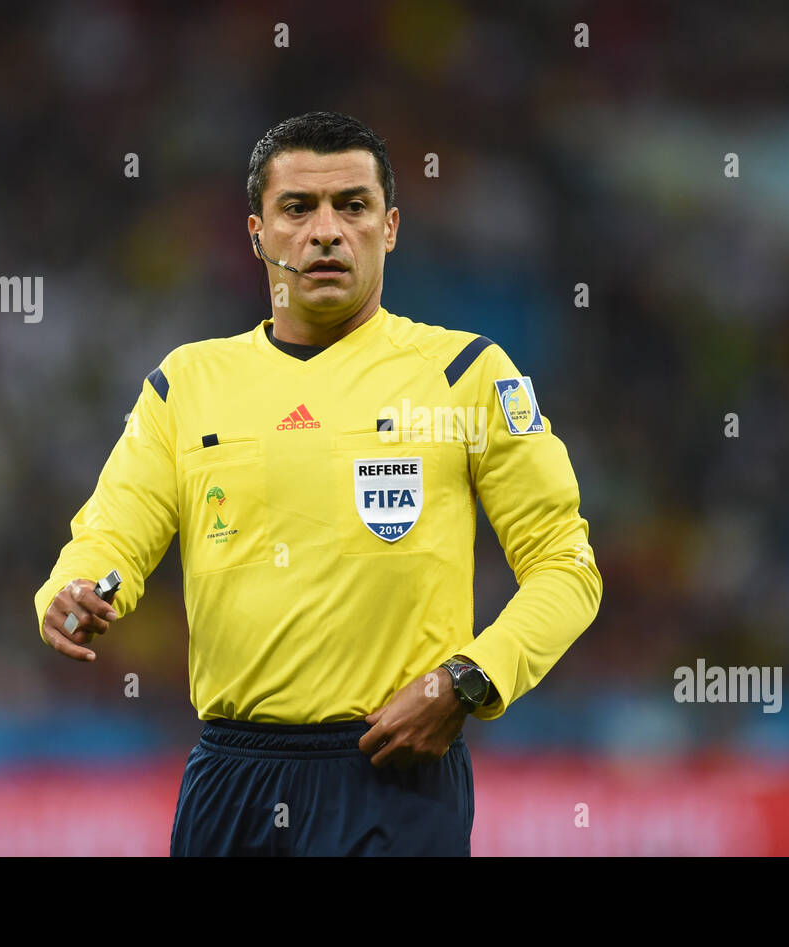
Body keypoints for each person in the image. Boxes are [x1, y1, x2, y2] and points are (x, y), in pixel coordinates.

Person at [34, 111, 601, 856]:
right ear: (256, 233)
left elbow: (566, 565)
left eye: (353, 206)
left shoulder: (467, 374)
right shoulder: (189, 383)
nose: (326, 231)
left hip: (394, 770)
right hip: (231, 778)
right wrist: (72, 587)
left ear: (390, 227)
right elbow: (112, 532)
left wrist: (466, 681)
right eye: (298, 208)